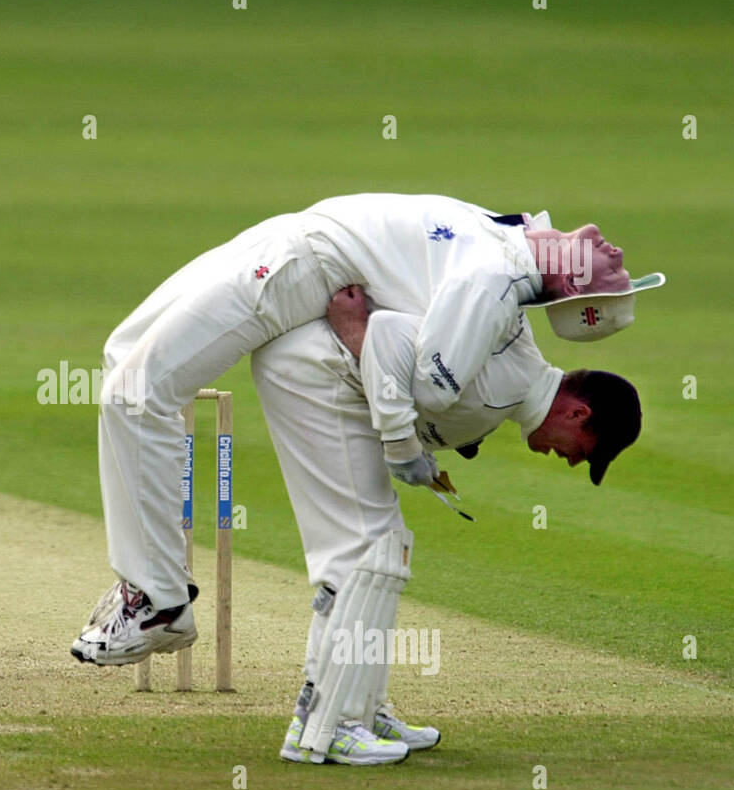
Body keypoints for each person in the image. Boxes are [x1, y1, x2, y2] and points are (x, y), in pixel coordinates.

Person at [71, 194, 658, 756]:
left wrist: (397, 398)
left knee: (133, 377)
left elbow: (424, 365)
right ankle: (157, 601)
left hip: (306, 249)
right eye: (588, 449)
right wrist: (387, 401)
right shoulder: (503, 273)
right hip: (303, 256)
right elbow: (421, 372)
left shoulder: (509, 272)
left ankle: (335, 692)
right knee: (132, 378)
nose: (577, 462)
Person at [257, 286, 640, 764]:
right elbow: (389, 333)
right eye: (582, 451)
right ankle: (321, 726)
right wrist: (400, 443)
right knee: (362, 553)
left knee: (386, 555)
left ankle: (361, 708)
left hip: (328, 382)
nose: (569, 461)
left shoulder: (509, 397)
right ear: (578, 413)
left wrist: (421, 450)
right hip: (314, 378)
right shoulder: (509, 384)